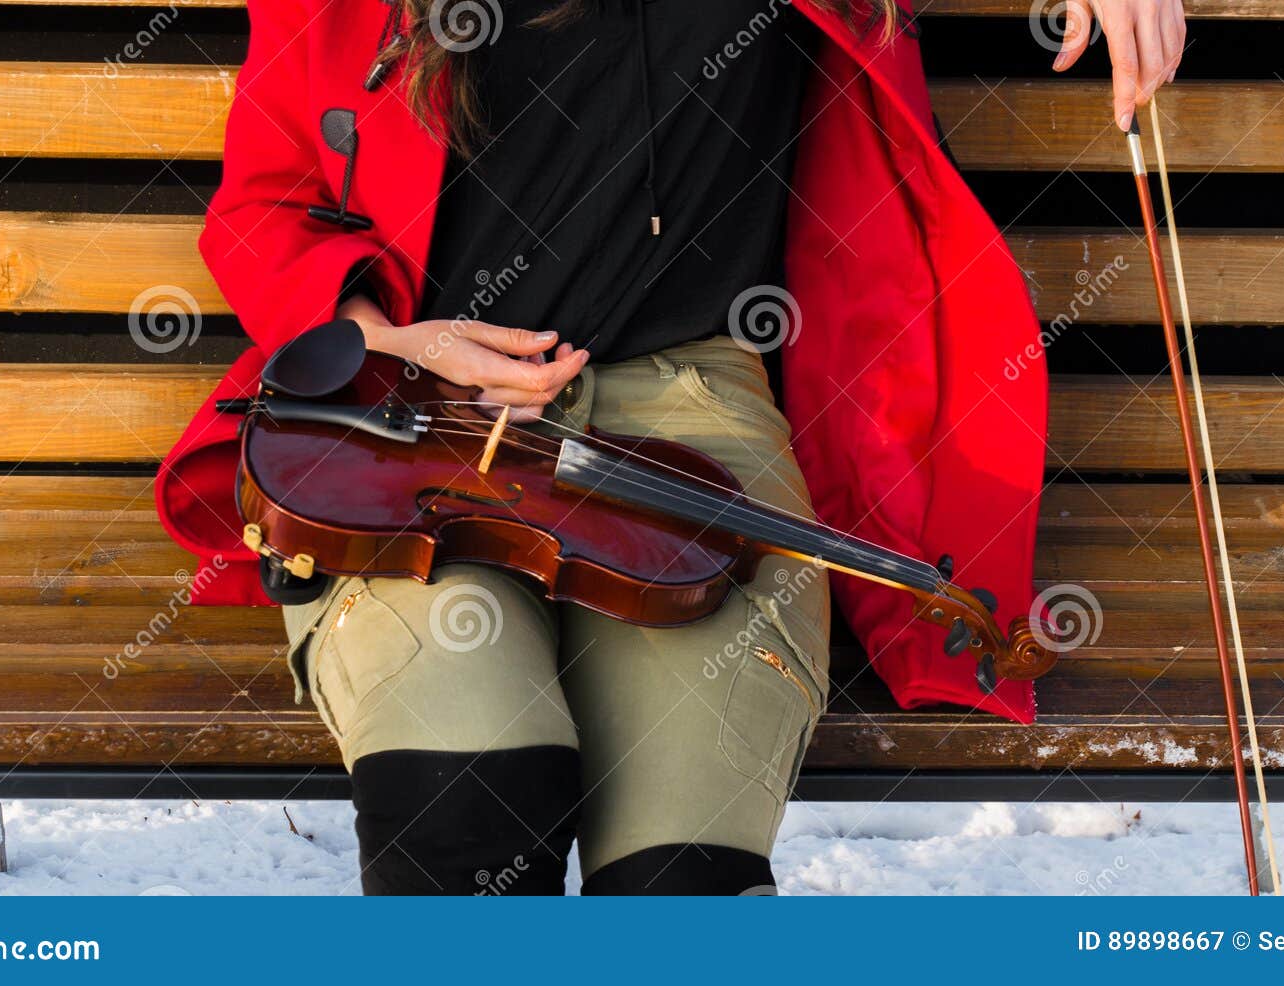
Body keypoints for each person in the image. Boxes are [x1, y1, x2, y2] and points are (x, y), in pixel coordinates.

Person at [157, 0, 1184, 895]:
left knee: (681, 878)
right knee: (463, 805)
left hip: (697, 410)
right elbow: (262, 203)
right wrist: (386, 340)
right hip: (423, 422)